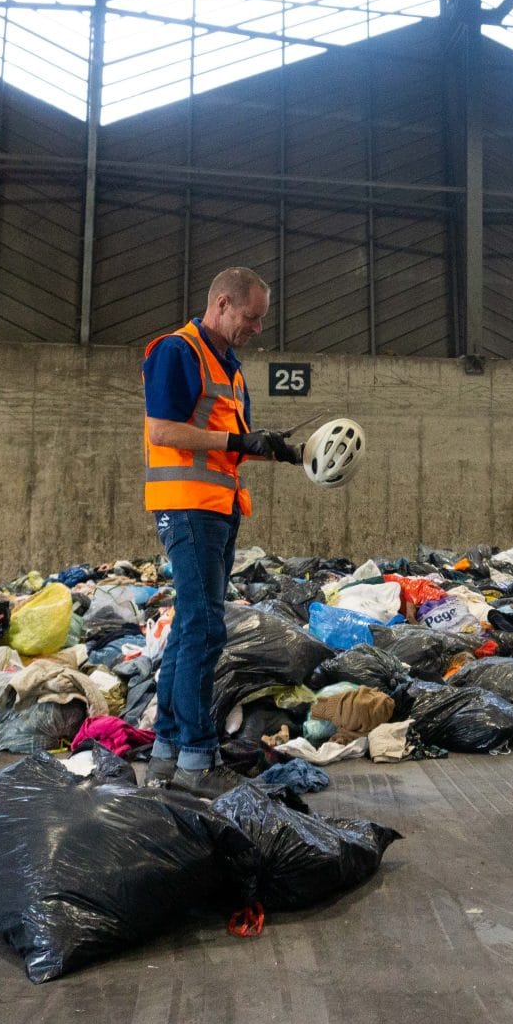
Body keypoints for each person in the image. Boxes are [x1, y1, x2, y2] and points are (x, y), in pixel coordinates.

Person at [140, 266, 301, 796]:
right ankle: (196, 756)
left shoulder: (228, 366)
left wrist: (280, 450)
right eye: (252, 318)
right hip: (188, 507)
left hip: (218, 507)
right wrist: (239, 442)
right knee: (207, 628)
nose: (257, 329)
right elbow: (164, 430)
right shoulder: (176, 350)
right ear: (224, 304)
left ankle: (167, 755)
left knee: (190, 627)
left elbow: (232, 440)